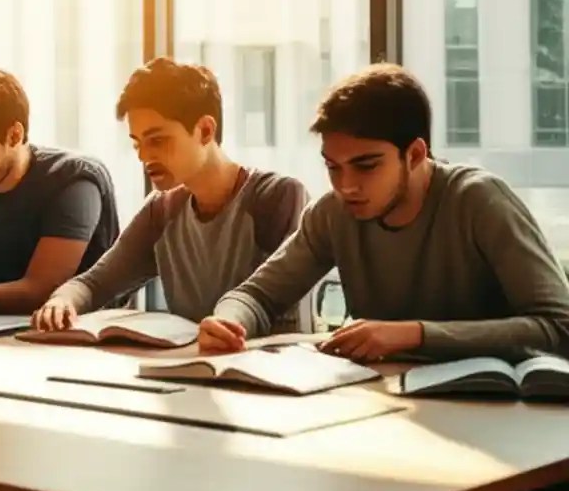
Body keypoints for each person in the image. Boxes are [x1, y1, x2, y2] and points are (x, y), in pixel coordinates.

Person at [199, 63, 569, 362]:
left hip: (501, 411)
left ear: (416, 155)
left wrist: (414, 334)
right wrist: (227, 321)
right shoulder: (332, 212)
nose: (346, 186)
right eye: (333, 167)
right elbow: (257, 296)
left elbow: (559, 327)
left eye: (366, 166)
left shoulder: (479, 200)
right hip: (390, 404)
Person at [32, 57, 308, 330]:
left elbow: (279, 306)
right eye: (137, 143)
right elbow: (95, 283)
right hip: (191, 363)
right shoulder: (161, 210)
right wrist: (61, 301)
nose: (144, 156)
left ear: (205, 130)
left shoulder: (277, 197)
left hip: (267, 365)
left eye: (157, 140)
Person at [0, 67, 120, 315]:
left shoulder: (72, 180)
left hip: (89, 336)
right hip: (4, 331)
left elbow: (41, 291)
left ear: (14, 135)